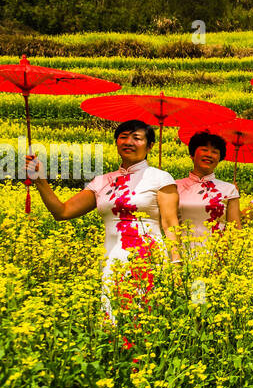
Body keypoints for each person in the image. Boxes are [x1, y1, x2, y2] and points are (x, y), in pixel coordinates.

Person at [26, 119, 179, 316]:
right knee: (112, 324)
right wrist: (41, 181)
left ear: (150, 146)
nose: (128, 142)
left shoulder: (160, 178)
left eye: (137, 138)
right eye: (123, 137)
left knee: (145, 325)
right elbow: (62, 212)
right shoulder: (102, 181)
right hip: (112, 260)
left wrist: (176, 264)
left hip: (148, 258)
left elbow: (170, 225)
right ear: (116, 143)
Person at [175, 131, 240, 246]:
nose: (209, 155)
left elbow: (235, 229)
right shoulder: (174, 186)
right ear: (192, 154)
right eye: (204, 150)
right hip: (181, 252)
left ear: (220, 158)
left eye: (215, 152)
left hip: (216, 255)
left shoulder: (229, 189)